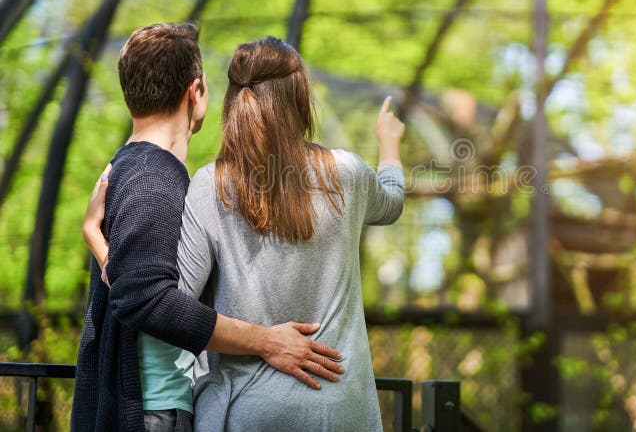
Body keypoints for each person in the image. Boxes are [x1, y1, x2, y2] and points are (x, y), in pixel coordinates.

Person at [85, 36, 405, 430]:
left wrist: (100, 241)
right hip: (338, 411)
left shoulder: (209, 186)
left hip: (243, 413)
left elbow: (168, 302)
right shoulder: (348, 175)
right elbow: (392, 202)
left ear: (231, 100)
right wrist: (390, 147)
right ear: (301, 98)